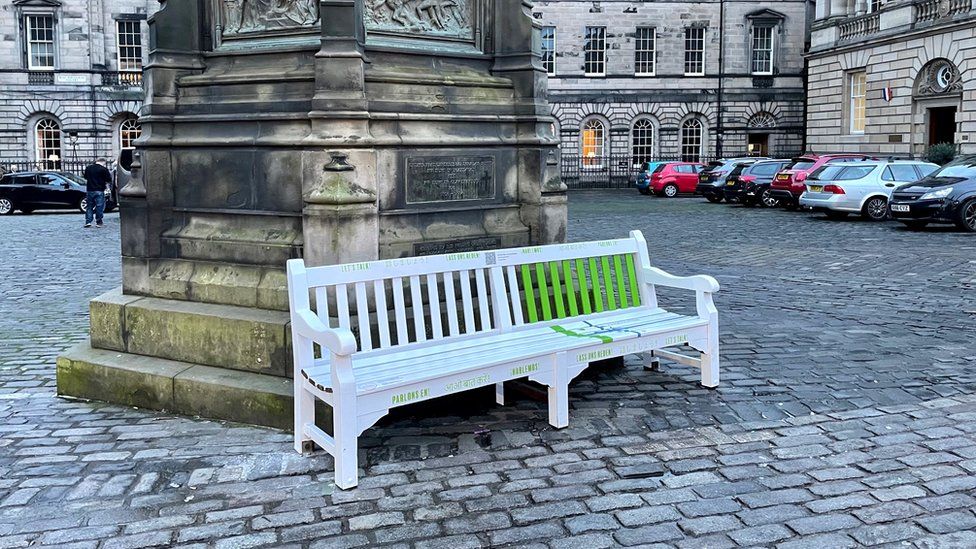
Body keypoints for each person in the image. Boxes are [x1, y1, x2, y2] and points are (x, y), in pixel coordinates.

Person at [83, 158, 112, 228]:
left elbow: (85, 177)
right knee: (99, 206)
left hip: (90, 189)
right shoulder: (103, 169)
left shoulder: (88, 168)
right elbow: (109, 179)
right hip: (99, 190)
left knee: (89, 206)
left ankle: (88, 222)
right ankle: (99, 222)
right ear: (103, 162)